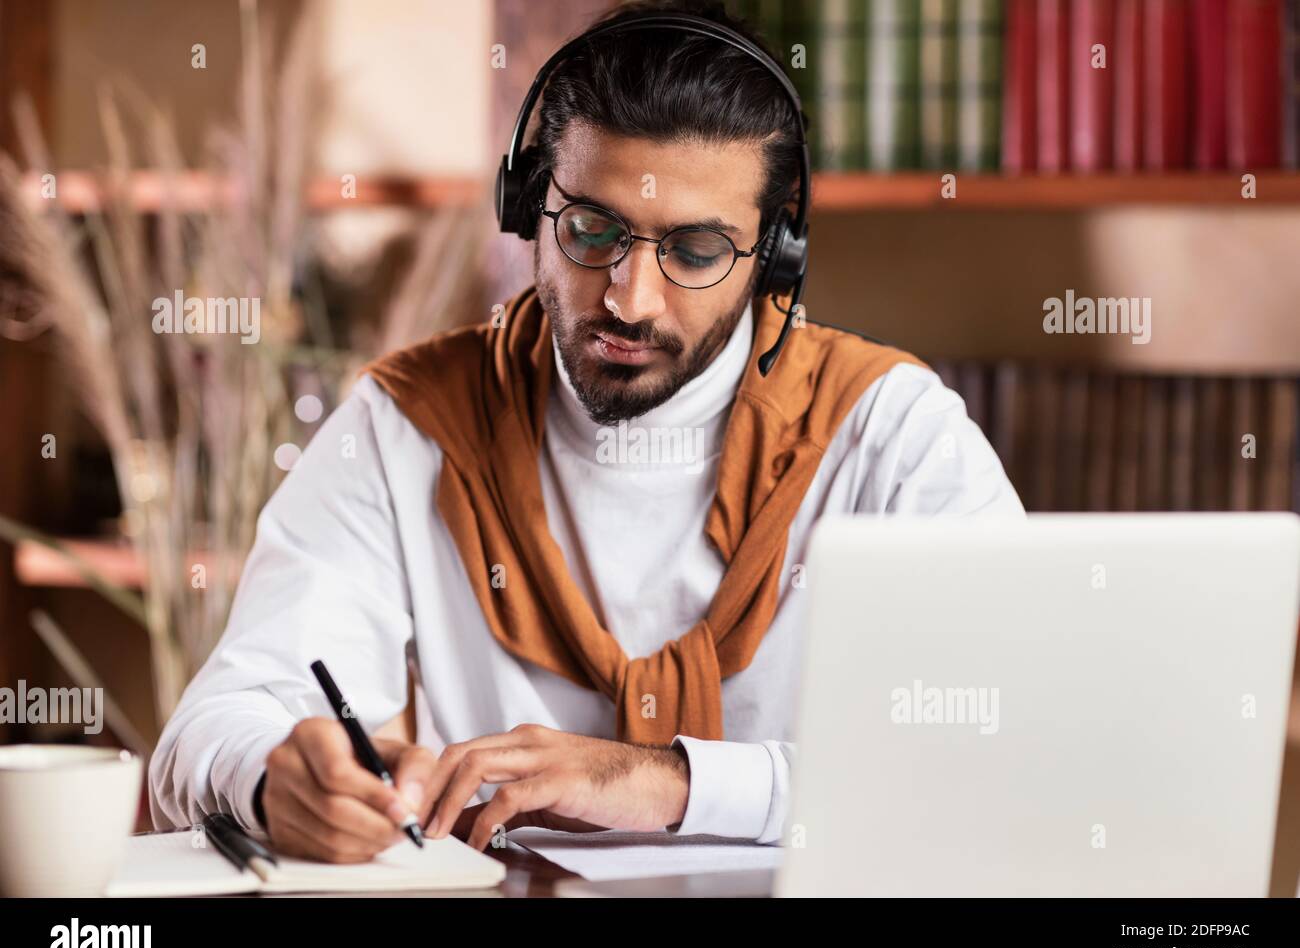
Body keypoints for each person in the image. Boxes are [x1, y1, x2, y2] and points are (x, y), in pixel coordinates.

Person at [149, 0, 1023, 863]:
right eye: (592, 229)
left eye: (694, 251)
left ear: (776, 250)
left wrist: (666, 784)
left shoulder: (897, 437)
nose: (628, 299)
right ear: (527, 204)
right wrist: (271, 779)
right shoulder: (406, 423)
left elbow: (1012, 758)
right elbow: (209, 729)